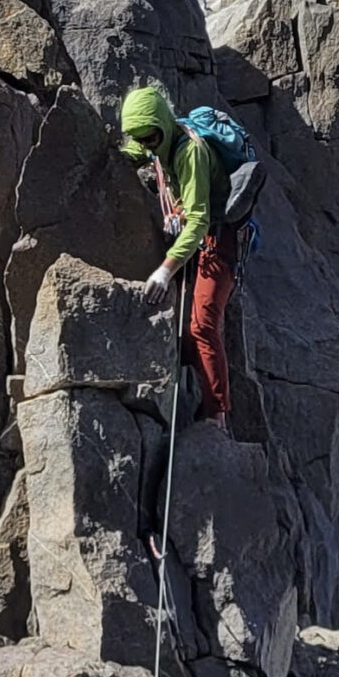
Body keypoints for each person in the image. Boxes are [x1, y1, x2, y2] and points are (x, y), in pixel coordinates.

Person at [118, 84, 235, 428]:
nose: (147, 145)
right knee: (183, 329)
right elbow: (133, 153)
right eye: (141, 138)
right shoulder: (155, 141)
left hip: (217, 241)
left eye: (151, 137)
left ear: (163, 125)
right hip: (191, 235)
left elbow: (198, 220)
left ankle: (216, 414)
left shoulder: (189, 153)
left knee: (201, 325)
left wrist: (165, 271)